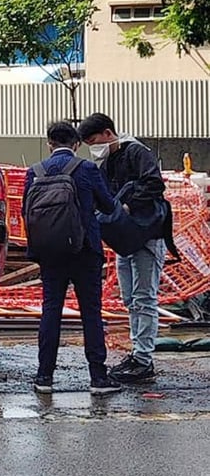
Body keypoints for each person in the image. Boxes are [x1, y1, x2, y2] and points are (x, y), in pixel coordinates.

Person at [24, 121, 122, 395]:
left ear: (49, 143)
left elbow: (25, 213)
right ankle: (98, 379)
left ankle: (44, 377)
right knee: (90, 312)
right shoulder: (87, 169)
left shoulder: (35, 172)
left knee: (51, 309)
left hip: (50, 253)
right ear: (77, 144)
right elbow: (108, 205)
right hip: (85, 251)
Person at [78, 112, 168, 383]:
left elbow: (154, 184)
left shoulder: (136, 153)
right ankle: (138, 352)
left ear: (108, 133)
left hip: (146, 233)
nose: (95, 148)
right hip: (125, 237)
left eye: (95, 141)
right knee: (130, 298)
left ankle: (143, 358)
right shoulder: (109, 162)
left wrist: (128, 206)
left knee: (144, 297)